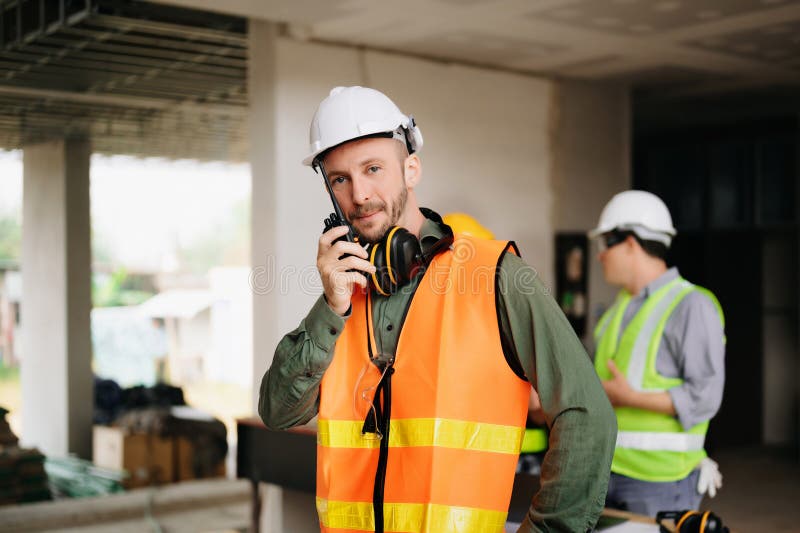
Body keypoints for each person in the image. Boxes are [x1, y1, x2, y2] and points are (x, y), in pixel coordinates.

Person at [259, 86, 616, 533]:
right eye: (340, 180)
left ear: (411, 169)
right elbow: (278, 410)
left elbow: (587, 414)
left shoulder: (496, 274)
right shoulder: (344, 295)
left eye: (373, 169)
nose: (359, 194)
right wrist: (331, 307)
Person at [588, 190, 726, 517]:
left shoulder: (691, 305)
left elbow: (705, 397)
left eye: (605, 244)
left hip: (662, 481)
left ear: (630, 243)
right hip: (605, 472)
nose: (600, 256)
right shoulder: (614, 312)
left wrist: (629, 398)